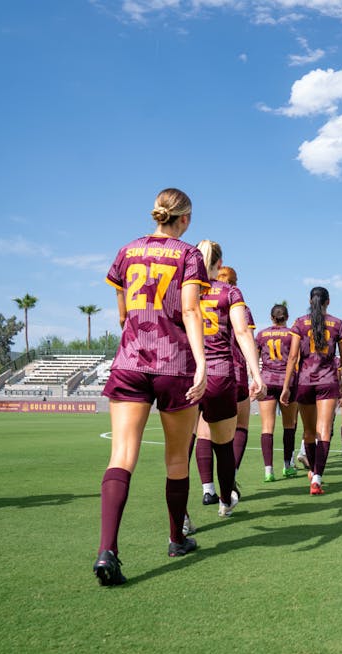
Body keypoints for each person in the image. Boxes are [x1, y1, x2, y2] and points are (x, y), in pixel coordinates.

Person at [94, 187, 208, 586]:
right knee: (177, 459)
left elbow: (123, 312)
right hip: (174, 363)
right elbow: (192, 309)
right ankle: (177, 539)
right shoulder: (190, 254)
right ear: (185, 219)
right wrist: (202, 364)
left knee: (121, 455)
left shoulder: (126, 250)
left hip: (130, 360)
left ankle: (107, 550)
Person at [193, 240, 265, 519]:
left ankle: (198, 498)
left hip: (188, 371)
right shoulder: (231, 294)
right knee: (230, 436)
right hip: (226, 370)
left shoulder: (186, 291)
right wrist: (255, 372)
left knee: (193, 438)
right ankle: (226, 495)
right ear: (219, 264)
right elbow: (244, 334)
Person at [281, 287, 342, 495]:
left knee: (310, 431)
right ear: (328, 302)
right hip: (328, 381)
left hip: (304, 381)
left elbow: (293, 357)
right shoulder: (337, 323)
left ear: (310, 301)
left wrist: (286, 386)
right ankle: (317, 478)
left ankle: (313, 470)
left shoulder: (299, 323)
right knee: (325, 429)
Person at [216, 266, 254, 477]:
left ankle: (207, 488)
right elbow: (245, 335)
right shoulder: (238, 303)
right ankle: (231, 478)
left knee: (203, 430)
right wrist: (254, 373)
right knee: (241, 424)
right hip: (233, 369)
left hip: (204, 370)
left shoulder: (198, 298)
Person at [255, 303, 300, 481]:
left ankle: (268, 470)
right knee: (289, 425)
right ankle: (287, 466)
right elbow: (295, 358)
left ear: (271, 317)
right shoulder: (292, 335)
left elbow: (255, 358)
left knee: (267, 427)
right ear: (287, 317)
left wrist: (256, 379)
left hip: (267, 380)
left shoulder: (261, 334)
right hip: (286, 381)